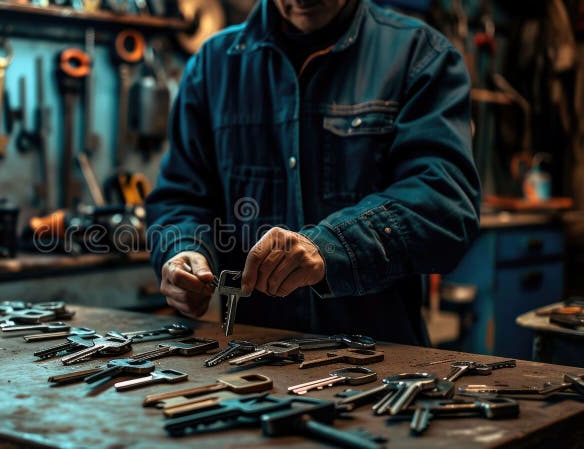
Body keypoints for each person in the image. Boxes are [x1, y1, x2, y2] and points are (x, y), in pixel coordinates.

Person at [145, 0, 481, 345]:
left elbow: (444, 205)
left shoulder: (420, 55)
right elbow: (180, 197)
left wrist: (330, 248)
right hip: (254, 364)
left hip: (379, 362)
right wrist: (184, 250)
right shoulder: (213, 64)